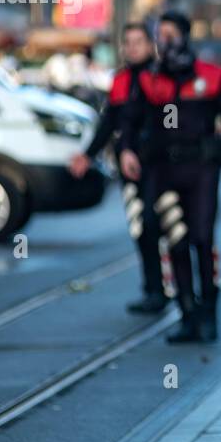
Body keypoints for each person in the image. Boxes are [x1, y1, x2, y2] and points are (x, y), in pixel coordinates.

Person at [119, 11, 221, 343]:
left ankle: (209, 313)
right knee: (176, 242)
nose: (163, 41)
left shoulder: (211, 77)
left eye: (169, 34)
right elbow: (130, 119)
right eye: (159, 35)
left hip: (202, 172)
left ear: (183, 36)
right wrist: (125, 149)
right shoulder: (150, 80)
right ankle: (187, 314)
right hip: (163, 173)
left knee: (202, 239)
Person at [68, 22, 165, 314]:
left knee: (162, 226)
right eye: (128, 42)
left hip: (162, 166)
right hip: (131, 168)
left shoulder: (161, 76)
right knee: (141, 228)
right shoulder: (122, 80)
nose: (133, 47)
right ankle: (153, 289)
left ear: (151, 45)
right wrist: (87, 155)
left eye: (139, 41)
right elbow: (110, 121)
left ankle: (176, 287)